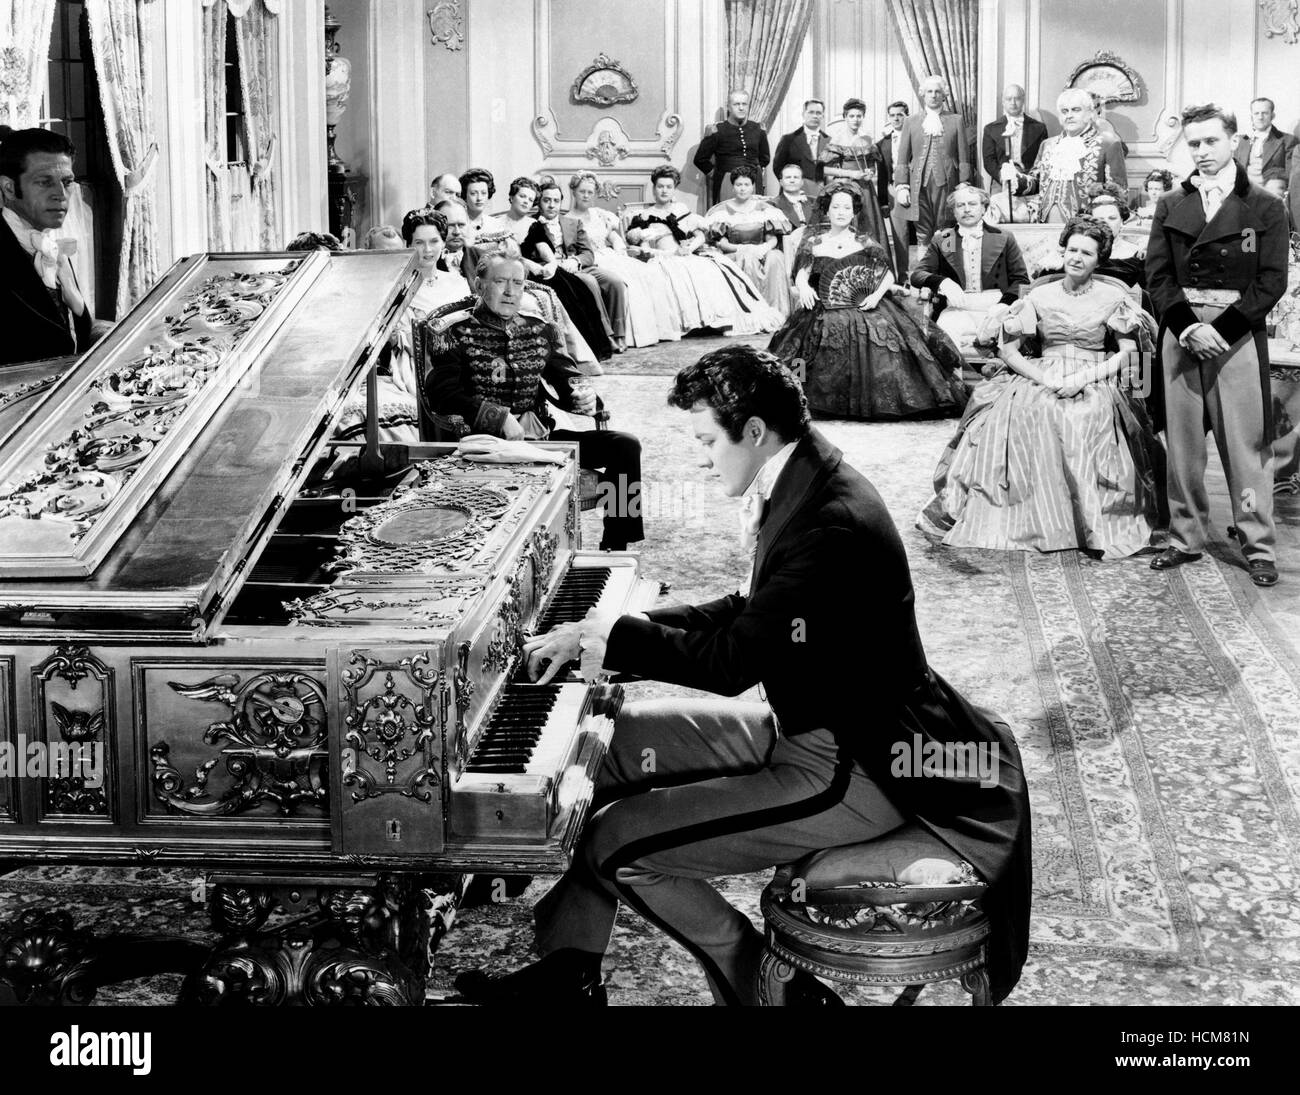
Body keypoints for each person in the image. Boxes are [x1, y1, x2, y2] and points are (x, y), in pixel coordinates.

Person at [452, 344, 1031, 1007]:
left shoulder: (831, 521)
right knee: (604, 749)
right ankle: (567, 977)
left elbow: (734, 662)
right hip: (804, 724)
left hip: (851, 763)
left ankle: (769, 986)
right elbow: (747, 612)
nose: (703, 456)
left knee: (619, 840)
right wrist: (612, 626)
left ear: (754, 431)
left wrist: (608, 637)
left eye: (707, 440)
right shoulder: (802, 477)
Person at [918, 217, 1159, 559]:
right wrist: (1043, 377)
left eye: (1086, 253)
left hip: (1093, 374)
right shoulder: (1040, 295)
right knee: (1025, 413)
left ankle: (1083, 519)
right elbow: (1008, 351)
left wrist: (1082, 379)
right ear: (1064, 250)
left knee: (1082, 415)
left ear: (1099, 259)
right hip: (1041, 372)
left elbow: (1128, 353)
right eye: (1072, 249)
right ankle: (1027, 514)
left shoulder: (1113, 296)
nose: (1076, 258)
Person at [1146, 103, 1288, 588]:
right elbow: (1158, 276)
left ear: (1233, 140)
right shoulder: (1170, 203)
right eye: (1194, 144)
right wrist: (1187, 327)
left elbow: (1271, 282)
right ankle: (1185, 538)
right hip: (1182, 334)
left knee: (1245, 444)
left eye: (1210, 141)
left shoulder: (1266, 205)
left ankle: (1258, 545)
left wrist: (1219, 331)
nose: (1202, 152)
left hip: (1237, 335)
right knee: (1183, 444)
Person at [423, 252, 643, 551]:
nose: (510, 292)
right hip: (487, 445)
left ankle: (615, 546)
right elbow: (442, 393)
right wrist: (498, 416)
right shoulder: (454, 333)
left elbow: (566, 376)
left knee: (625, 446)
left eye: (518, 283)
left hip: (543, 440)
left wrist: (583, 394)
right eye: (500, 282)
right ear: (479, 284)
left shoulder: (539, 330)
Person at [768, 185, 967, 421]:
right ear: (827, 211)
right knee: (799, 354)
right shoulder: (814, 242)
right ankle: (799, 391)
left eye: (846, 208)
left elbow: (887, 275)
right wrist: (803, 287)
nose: (841, 212)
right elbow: (802, 271)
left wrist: (875, 295)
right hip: (823, 307)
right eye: (836, 207)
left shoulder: (864, 242)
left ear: (854, 212)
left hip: (866, 304)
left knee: (885, 336)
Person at [336, 209, 472, 445]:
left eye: (433, 242)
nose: (427, 250)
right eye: (419, 242)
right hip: (410, 361)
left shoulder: (457, 284)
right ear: (408, 244)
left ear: (443, 243)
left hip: (456, 360)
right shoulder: (395, 284)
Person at [625, 165, 780, 336]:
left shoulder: (680, 210)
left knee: (710, 271)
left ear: (674, 189)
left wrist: (689, 248)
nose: (664, 191)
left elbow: (699, 235)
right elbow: (642, 246)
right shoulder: (645, 216)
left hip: (686, 255)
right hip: (662, 258)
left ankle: (717, 321)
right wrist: (665, 253)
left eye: (669, 187)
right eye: (660, 187)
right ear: (654, 189)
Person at [0, 127, 94, 367]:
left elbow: (75, 331)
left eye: (67, 182)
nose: (61, 195)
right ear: (9, 188)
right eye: (44, 182)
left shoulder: (51, 247)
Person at [496, 176, 614, 361]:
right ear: (511, 197)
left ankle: (589, 347)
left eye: (529, 198)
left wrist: (551, 264)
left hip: (541, 269)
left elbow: (544, 249)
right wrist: (531, 264)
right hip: (514, 270)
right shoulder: (497, 224)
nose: (526, 201)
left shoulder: (533, 225)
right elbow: (505, 255)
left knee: (577, 290)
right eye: (522, 196)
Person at [908, 185, 1029, 357]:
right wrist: (942, 282)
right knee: (944, 340)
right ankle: (953, 383)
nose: (966, 210)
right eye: (960, 205)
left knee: (1007, 338)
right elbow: (917, 275)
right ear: (954, 211)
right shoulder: (945, 238)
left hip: (995, 308)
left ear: (984, 208)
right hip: (958, 309)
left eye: (972, 204)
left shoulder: (1003, 237)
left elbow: (1021, 280)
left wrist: (1004, 305)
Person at [567, 170, 680, 346]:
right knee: (624, 282)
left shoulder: (599, 214)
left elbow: (612, 236)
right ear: (573, 191)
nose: (586, 196)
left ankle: (651, 332)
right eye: (582, 191)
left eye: (590, 192)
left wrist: (619, 247)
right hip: (593, 259)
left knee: (647, 273)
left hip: (611, 254)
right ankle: (621, 336)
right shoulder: (567, 219)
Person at [1001, 88, 1127, 222]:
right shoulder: (1048, 145)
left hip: (1087, 226)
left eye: (1076, 110)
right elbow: (1036, 182)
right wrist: (1016, 178)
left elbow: (1117, 192)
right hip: (1046, 221)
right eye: (1064, 111)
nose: (1069, 115)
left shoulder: (1107, 144)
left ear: (1089, 113)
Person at [534, 178, 628, 353]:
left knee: (616, 282)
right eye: (547, 200)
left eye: (556, 201)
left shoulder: (572, 222)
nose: (552, 205)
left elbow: (588, 254)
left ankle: (620, 334)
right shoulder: (533, 224)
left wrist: (575, 260)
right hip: (556, 270)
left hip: (577, 264)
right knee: (590, 282)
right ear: (539, 202)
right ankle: (606, 335)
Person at [893, 76, 970, 252]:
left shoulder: (956, 119)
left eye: (937, 91)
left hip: (947, 183)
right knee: (923, 233)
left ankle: (947, 271)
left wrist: (964, 182)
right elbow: (903, 157)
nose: (933, 95)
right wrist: (902, 185)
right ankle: (925, 275)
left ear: (944, 95)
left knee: (947, 228)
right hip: (919, 185)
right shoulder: (911, 121)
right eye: (929, 91)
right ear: (923, 95)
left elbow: (964, 155)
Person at [705, 164, 794, 315]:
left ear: (753, 186)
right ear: (733, 187)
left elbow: (772, 239)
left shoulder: (764, 209)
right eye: (739, 185)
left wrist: (762, 249)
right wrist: (741, 249)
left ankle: (776, 311)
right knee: (747, 258)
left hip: (762, 250)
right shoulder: (721, 211)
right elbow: (722, 242)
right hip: (735, 253)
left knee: (776, 257)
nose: (742, 188)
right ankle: (752, 312)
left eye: (746, 184)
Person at [820, 98, 893, 272]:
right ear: (845, 117)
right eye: (851, 116)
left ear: (863, 117)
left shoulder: (867, 139)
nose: (855, 119)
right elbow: (824, 169)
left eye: (859, 116)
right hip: (845, 189)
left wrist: (870, 173)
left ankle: (876, 274)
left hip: (866, 191)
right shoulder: (837, 139)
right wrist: (851, 174)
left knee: (870, 228)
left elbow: (874, 166)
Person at [693, 89, 771, 206]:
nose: (741, 108)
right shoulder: (717, 130)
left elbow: (765, 158)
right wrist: (717, 174)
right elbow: (700, 159)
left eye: (744, 104)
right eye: (736, 104)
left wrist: (756, 172)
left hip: (753, 181)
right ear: (729, 107)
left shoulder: (758, 129)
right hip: (727, 182)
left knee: (754, 217)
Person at [981, 84, 1048, 190]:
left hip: (1029, 181)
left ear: (1023, 101)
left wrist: (1030, 179)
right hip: (1001, 182)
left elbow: (1044, 159)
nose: (1013, 103)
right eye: (1009, 99)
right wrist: (1002, 177)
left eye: (1017, 98)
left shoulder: (1039, 128)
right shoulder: (990, 129)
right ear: (1003, 102)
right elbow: (988, 161)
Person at [1234, 97, 1296, 198]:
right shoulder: (1241, 141)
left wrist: (1275, 177)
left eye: (1265, 113)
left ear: (1273, 115)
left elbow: (1292, 174)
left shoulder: (1287, 140)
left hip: (1272, 188)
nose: (1260, 117)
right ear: (1251, 117)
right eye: (1256, 113)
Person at [876, 100, 911, 277]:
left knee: (924, 233)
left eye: (900, 115)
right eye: (892, 115)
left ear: (907, 116)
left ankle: (928, 276)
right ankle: (903, 276)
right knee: (900, 235)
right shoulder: (882, 144)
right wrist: (883, 201)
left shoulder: (917, 136)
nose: (896, 118)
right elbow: (882, 175)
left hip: (918, 189)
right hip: (894, 189)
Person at [772, 99, 828, 199]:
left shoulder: (829, 141)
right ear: (803, 114)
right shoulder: (788, 139)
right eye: (811, 112)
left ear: (823, 116)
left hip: (821, 195)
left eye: (818, 113)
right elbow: (778, 167)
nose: (815, 116)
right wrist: (791, 185)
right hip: (793, 194)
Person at [460, 166, 496, 242]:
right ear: (465, 196)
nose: (479, 198)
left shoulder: (495, 224)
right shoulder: (458, 225)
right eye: (473, 193)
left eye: (483, 193)